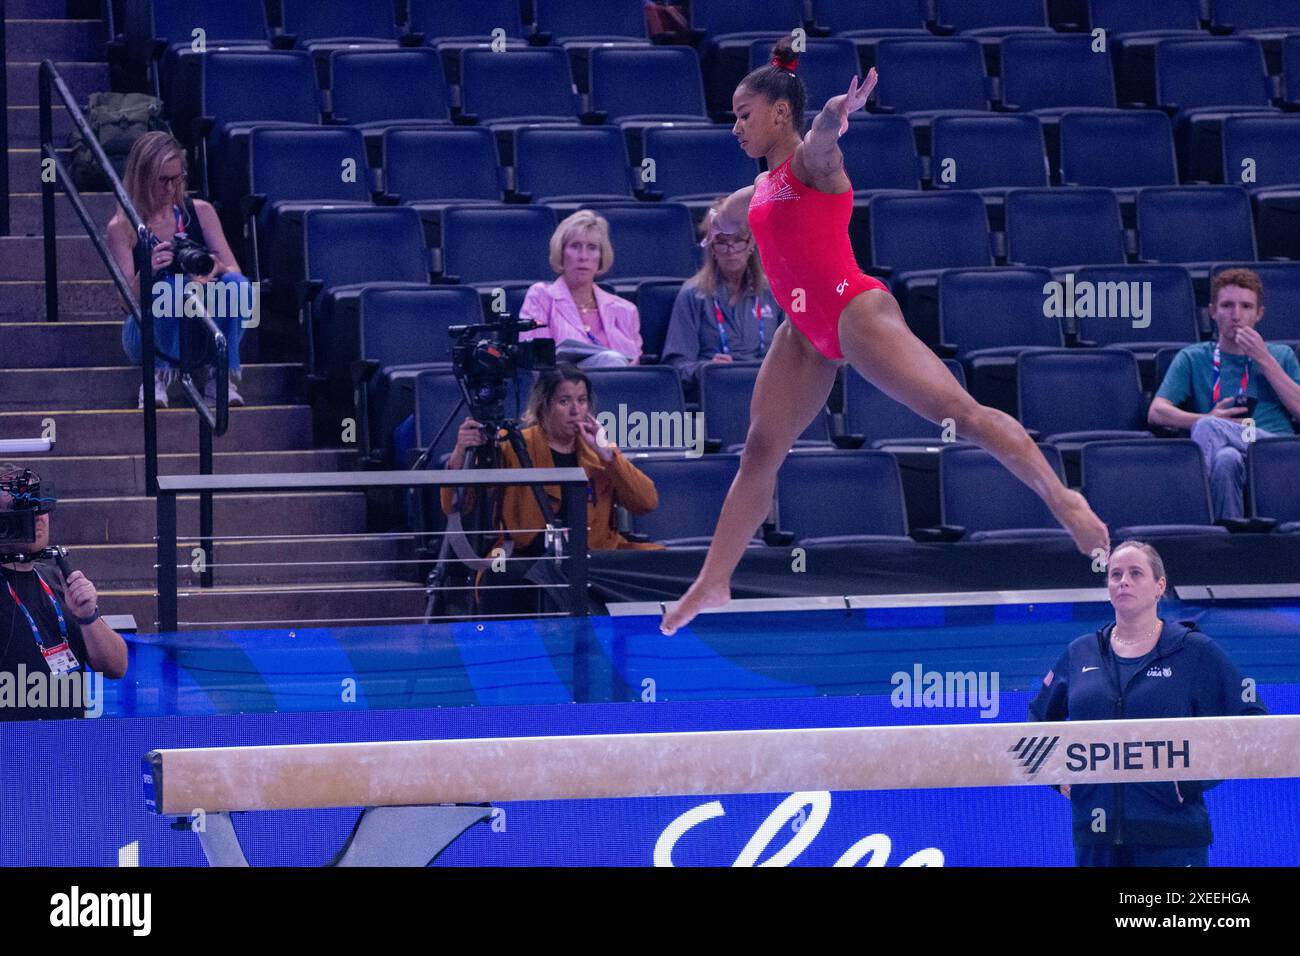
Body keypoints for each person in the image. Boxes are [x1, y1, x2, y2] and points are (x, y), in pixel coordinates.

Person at [660, 41, 1110, 635]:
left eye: (745, 113)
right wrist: (717, 222)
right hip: (804, 333)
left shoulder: (812, 166)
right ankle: (714, 581)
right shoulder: (759, 190)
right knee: (760, 451)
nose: (736, 125)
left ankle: (1062, 500)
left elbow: (821, 143)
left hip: (855, 310)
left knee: (961, 412)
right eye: (733, 116)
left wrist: (831, 118)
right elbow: (734, 212)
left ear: (779, 114)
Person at [1028, 540, 1265, 866]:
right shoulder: (1080, 652)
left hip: (1173, 840)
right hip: (1096, 840)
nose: (1122, 581)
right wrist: (1059, 777)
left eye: (1135, 573)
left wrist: (1190, 781)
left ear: (1160, 586)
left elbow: (1252, 721)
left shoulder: (1195, 651)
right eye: (1115, 574)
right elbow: (1036, 722)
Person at [441, 365, 663, 612]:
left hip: (594, 556)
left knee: (665, 562)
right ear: (543, 405)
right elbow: (456, 503)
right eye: (564, 401)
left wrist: (609, 457)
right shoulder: (513, 445)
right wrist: (461, 452)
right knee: (499, 572)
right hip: (524, 553)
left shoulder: (599, 450)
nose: (575, 410)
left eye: (582, 400)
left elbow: (646, 502)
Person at [107, 131, 249, 408]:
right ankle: (156, 377)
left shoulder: (201, 211)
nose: (171, 188)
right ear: (143, 177)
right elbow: (125, 303)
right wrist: (145, 273)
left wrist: (213, 269)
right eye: (163, 180)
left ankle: (217, 375)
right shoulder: (121, 227)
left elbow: (233, 268)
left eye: (177, 178)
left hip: (196, 321)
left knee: (239, 285)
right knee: (170, 287)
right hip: (146, 329)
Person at [1148, 268, 1300, 519]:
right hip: (1224, 447)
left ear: (1259, 314)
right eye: (1227, 305)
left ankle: (1191, 503)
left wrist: (1263, 358)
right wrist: (1206, 418)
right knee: (1225, 460)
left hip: (1271, 448)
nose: (1236, 315)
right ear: (1213, 312)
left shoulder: (1280, 355)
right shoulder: (1193, 357)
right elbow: (1157, 412)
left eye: (1246, 307)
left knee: (1209, 427)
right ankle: (1229, 537)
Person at [0, 465, 128, 721]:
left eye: (40, 507)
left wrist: (88, 617)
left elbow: (116, 666)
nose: (37, 517)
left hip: (67, 743)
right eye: (21, 508)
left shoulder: (56, 579)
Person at [662, 198, 784, 400]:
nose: (730, 251)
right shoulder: (692, 294)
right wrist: (706, 368)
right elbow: (676, 366)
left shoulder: (775, 291)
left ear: (751, 243)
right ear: (710, 246)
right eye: (721, 242)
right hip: (715, 393)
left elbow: (794, 355)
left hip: (770, 392)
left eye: (738, 241)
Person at [519, 210, 643, 368]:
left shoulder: (626, 310)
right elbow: (537, 360)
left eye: (592, 247)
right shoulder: (541, 297)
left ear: (601, 256)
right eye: (575, 246)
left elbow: (635, 370)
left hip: (617, 389)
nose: (583, 256)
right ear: (561, 252)